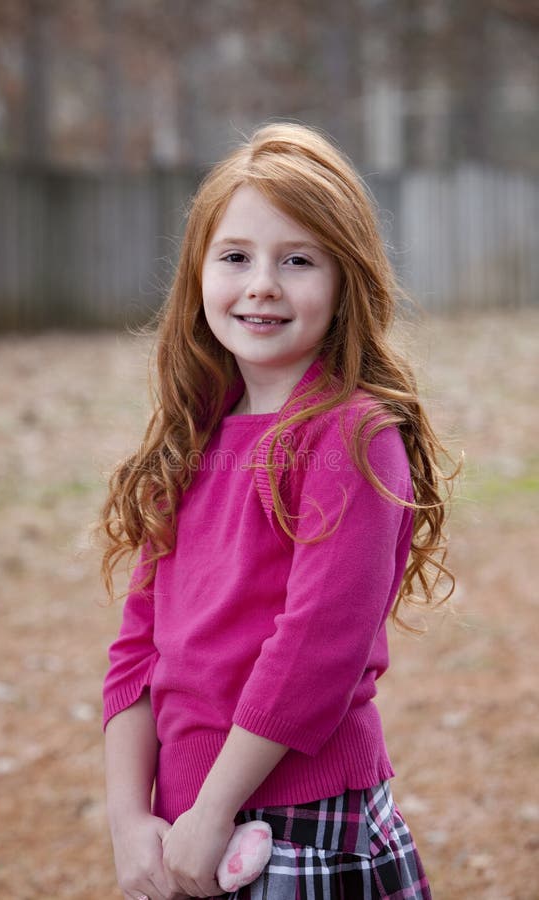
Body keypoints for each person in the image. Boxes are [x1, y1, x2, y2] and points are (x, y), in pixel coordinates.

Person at [100, 122, 457, 900]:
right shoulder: (194, 437)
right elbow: (137, 649)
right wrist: (129, 819)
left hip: (302, 823)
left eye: (297, 260)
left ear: (346, 280)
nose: (262, 283)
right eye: (235, 257)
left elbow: (315, 650)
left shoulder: (352, 436)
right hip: (182, 828)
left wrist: (214, 808)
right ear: (198, 274)